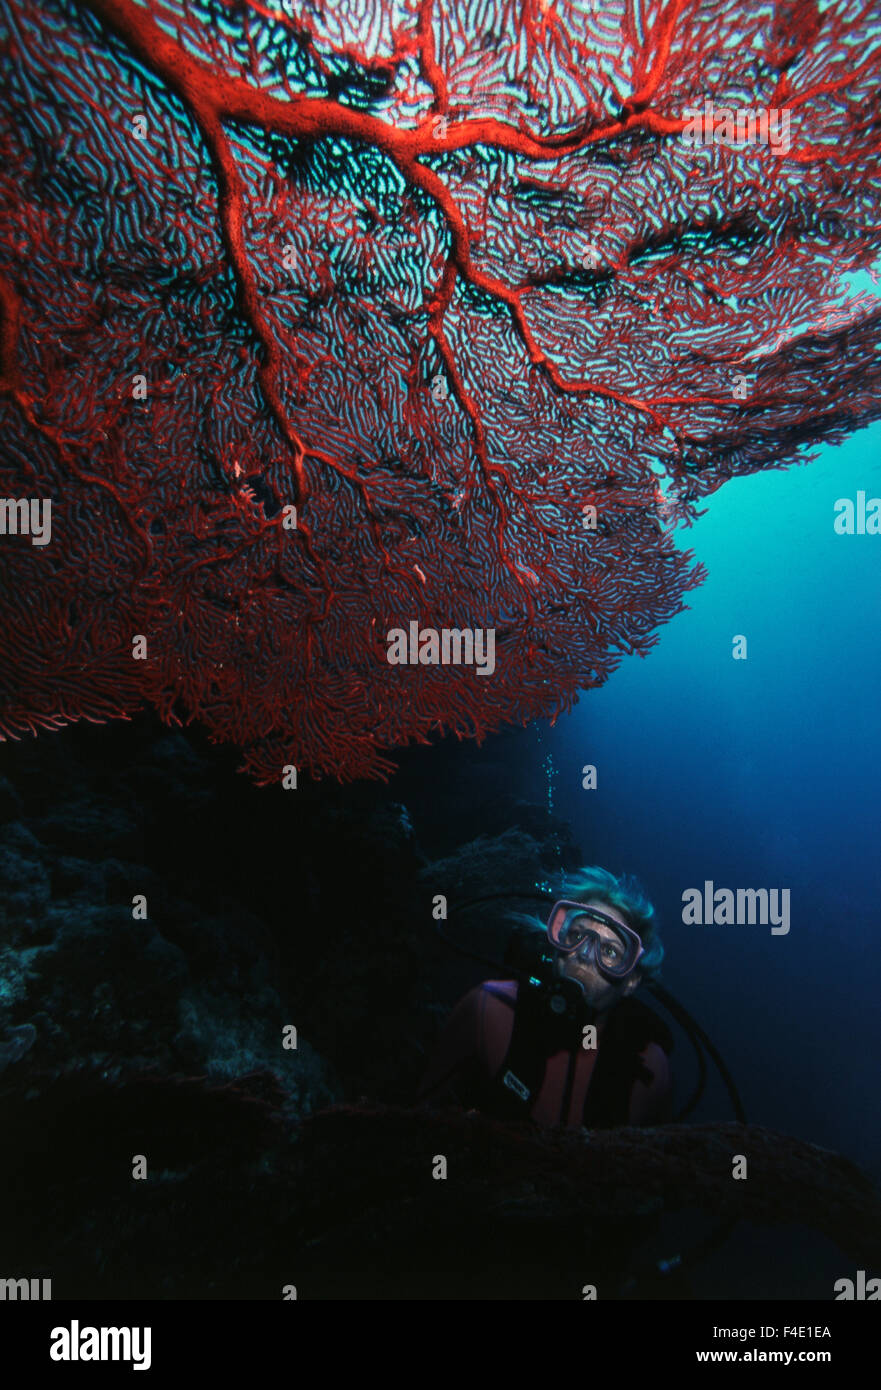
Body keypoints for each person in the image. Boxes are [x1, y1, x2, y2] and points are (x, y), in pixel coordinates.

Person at [417, 867, 673, 1129]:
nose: (584, 955)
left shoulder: (649, 1068)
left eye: (609, 951)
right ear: (556, 942)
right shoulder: (488, 1007)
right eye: (576, 935)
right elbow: (417, 1121)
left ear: (631, 981)